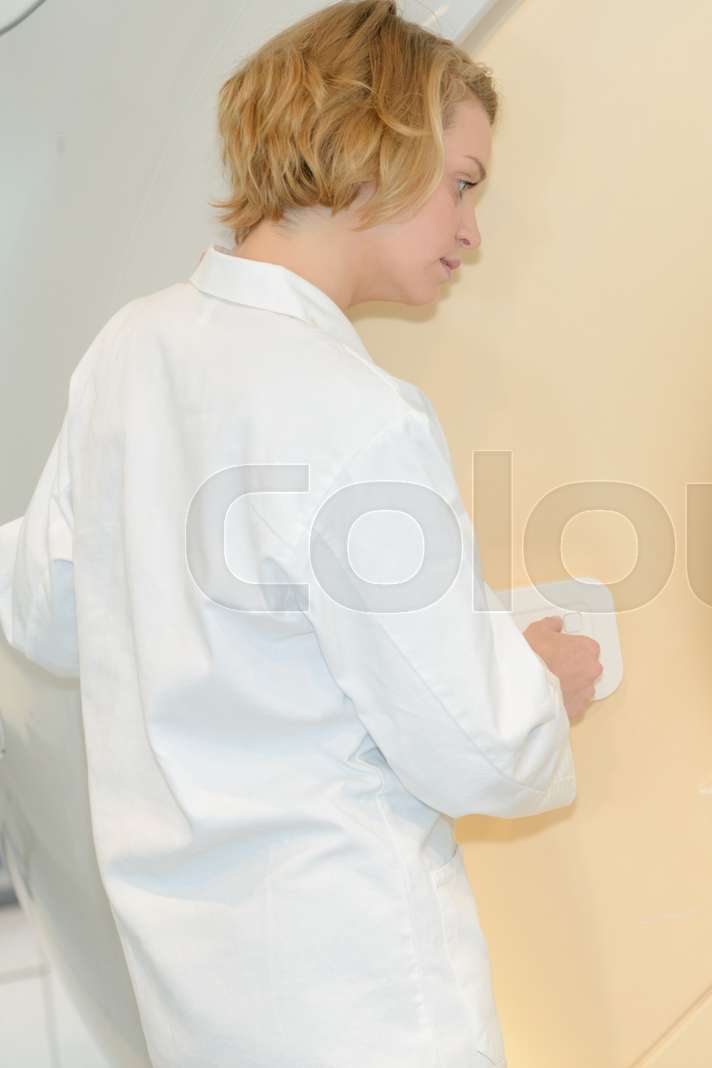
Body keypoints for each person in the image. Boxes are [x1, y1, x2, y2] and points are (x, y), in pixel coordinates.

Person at [0, 3, 599, 1065]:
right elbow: (477, 750)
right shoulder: (351, 413)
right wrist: (539, 682)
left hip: (192, 991)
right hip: (355, 993)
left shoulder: (133, 349)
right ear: (373, 153)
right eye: (462, 185)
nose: (472, 233)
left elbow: (44, 617)